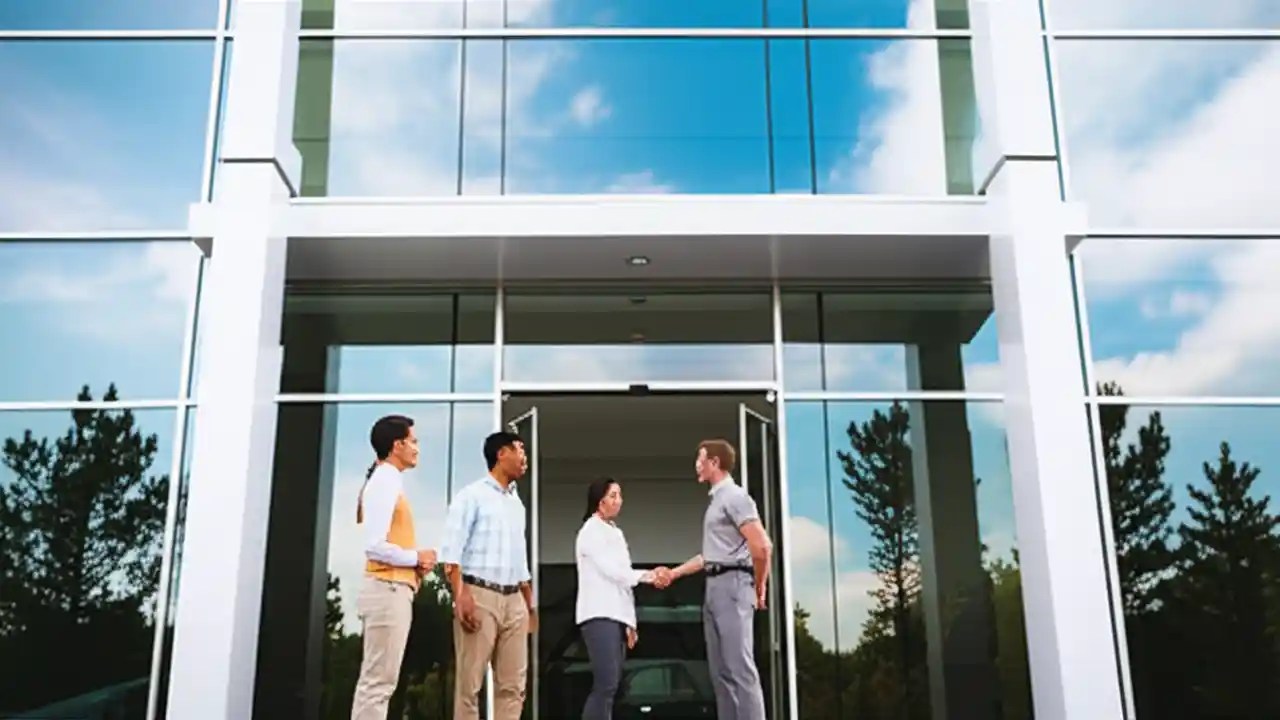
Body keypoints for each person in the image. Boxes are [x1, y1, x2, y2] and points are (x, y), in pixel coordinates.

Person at [653, 439, 773, 720]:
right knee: (721, 674)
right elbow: (710, 555)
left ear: (715, 463)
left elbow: (762, 546)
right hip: (715, 586)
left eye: (700, 459)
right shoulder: (718, 500)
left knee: (739, 668)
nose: (697, 464)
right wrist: (674, 573)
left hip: (733, 585)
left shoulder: (734, 496)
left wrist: (759, 585)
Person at [439, 431, 536, 720]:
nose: (524, 457)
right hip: (479, 595)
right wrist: (460, 594)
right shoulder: (472, 496)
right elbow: (451, 550)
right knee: (470, 685)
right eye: (519, 449)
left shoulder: (517, 504)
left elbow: (520, 559)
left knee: (514, 687)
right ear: (500, 454)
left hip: (515, 600)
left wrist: (529, 603)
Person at [351, 414, 438, 720]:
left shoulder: (388, 480)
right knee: (378, 683)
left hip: (393, 589)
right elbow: (374, 545)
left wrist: (414, 562)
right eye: (413, 441)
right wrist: (417, 557)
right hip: (387, 590)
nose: (417, 448)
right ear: (397, 445)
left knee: (380, 682)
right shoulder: (384, 480)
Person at [575, 478, 660, 719]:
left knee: (613, 685)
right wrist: (648, 575)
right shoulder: (590, 532)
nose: (618, 501)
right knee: (606, 683)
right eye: (613, 495)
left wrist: (629, 621)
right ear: (600, 502)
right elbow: (614, 572)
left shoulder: (616, 533)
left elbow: (623, 580)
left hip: (615, 616)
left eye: (619, 495)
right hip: (598, 615)